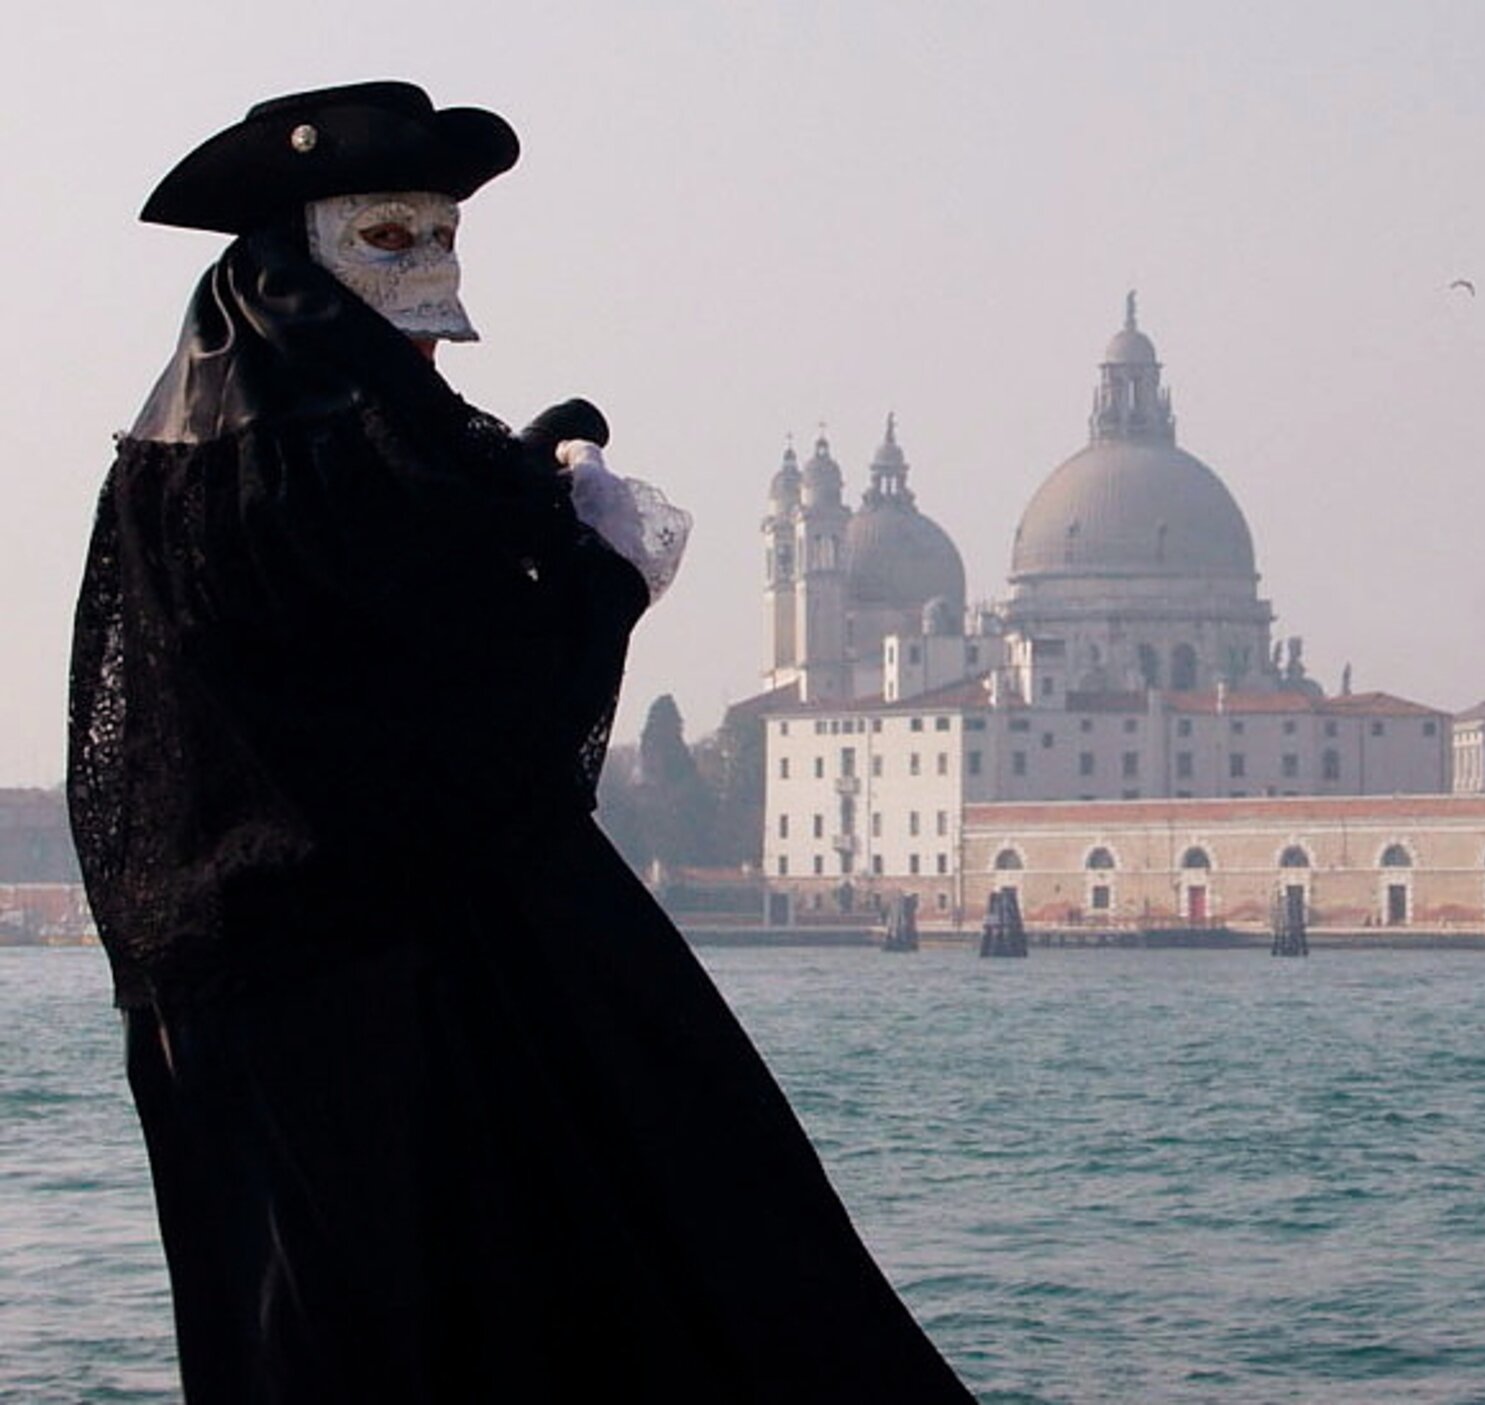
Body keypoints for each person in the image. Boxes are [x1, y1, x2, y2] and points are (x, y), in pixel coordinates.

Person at [69, 82, 973, 1403]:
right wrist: (601, 576)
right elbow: (495, 725)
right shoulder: (348, 462)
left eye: (441, 240)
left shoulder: (163, 466)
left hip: (230, 1012)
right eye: (393, 241)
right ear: (297, 268)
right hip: (414, 990)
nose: (433, 297)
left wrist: (518, 494)